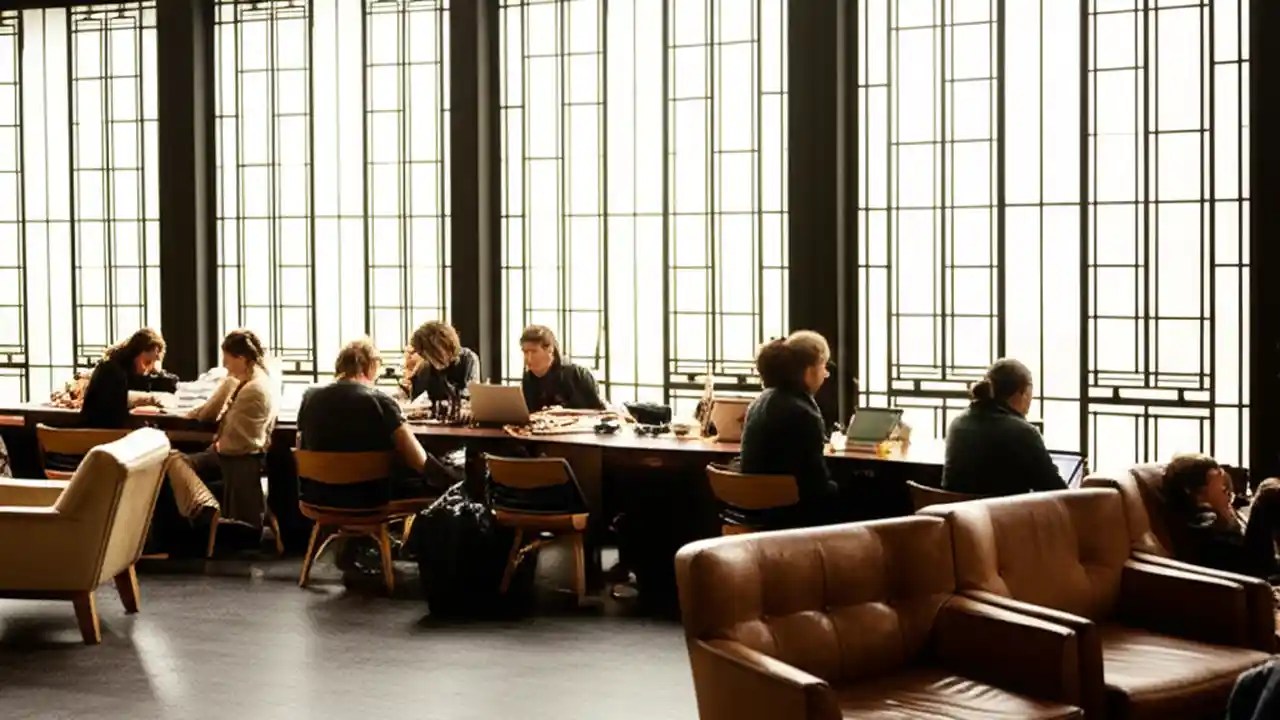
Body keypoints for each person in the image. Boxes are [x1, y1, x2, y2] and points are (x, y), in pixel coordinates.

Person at [297, 337, 455, 508]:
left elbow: (301, 445)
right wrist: (452, 481)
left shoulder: (309, 398)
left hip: (318, 497)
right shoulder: (380, 401)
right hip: (371, 499)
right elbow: (418, 460)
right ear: (371, 367)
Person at [157, 329, 278, 543]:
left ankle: (202, 508)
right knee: (175, 459)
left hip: (235, 456)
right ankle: (200, 507)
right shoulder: (252, 380)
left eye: (228, 360)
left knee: (172, 460)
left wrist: (226, 384)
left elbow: (214, 422)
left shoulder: (253, 389)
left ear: (241, 359)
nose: (225, 366)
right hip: (230, 452)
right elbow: (207, 413)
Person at [738, 331, 838, 526]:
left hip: (756, 508)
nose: (825, 375)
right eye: (823, 367)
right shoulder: (803, 412)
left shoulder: (760, 401)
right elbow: (815, 484)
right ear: (809, 370)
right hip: (789, 515)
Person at [942, 358, 1064, 496]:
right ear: (1021, 392)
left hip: (959, 513)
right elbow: (1055, 491)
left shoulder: (958, 423)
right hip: (1001, 516)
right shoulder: (1022, 432)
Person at [1161, 453, 1280, 580]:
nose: (1226, 490)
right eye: (1221, 487)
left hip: (1257, 566)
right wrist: (1226, 518)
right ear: (1198, 494)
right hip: (1245, 573)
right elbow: (1229, 556)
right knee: (1268, 493)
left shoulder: (1223, 508)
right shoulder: (1201, 522)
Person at [79, 328, 179, 428]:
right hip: (100, 431)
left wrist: (158, 371)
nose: (147, 370)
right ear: (135, 353)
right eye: (147, 362)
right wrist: (151, 399)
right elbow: (116, 401)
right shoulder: (111, 370)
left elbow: (172, 382)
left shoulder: (131, 372)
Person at [519, 325, 605, 412]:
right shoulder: (528, 378)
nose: (528, 358)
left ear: (550, 349)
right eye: (525, 352)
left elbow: (598, 412)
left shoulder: (576, 375)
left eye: (534, 352)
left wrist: (563, 412)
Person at [400, 321, 480, 404]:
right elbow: (415, 401)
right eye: (422, 353)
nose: (426, 357)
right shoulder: (425, 367)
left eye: (427, 351)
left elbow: (471, 396)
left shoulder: (468, 359)